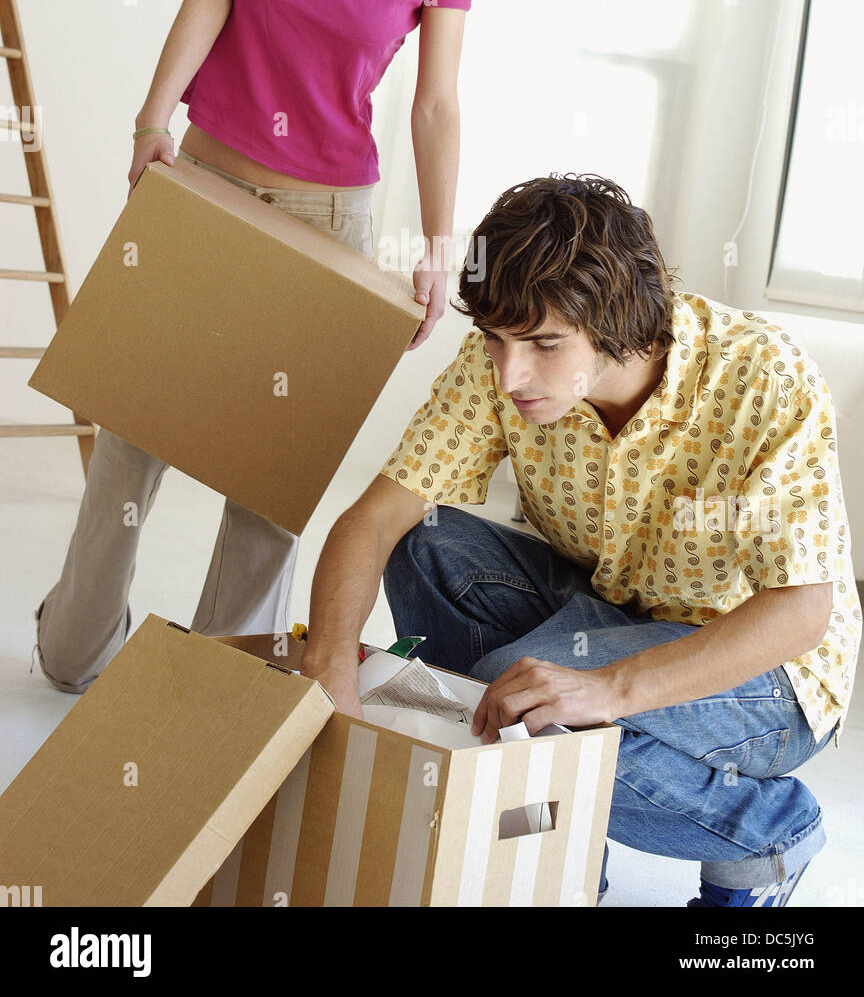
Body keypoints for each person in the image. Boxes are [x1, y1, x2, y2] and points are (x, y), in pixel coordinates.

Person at [34, 0, 479, 694]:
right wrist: (154, 122)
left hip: (332, 215)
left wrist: (439, 248)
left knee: (272, 472)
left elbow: (436, 107)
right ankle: (74, 641)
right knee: (133, 428)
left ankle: (212, 679)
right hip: (210, 176)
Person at [300, 172, 861, 908]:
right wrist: (330, 663)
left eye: (541, 344)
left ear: (621, 322)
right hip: (609, 612)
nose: (509, 374)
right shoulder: (504, 357)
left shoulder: (762, 375)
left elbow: (801, 613)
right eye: (496, 341)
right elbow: (373, 519)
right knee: (424, 544)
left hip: (763, 670)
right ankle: (556, 845)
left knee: (527, 702)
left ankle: (764, 832)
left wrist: (604, 689)